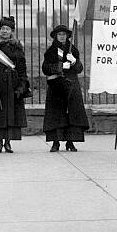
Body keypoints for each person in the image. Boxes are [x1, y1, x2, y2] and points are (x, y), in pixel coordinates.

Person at [0, 16, 29, 153]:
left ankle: (8, 142)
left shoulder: (17, 47)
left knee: (9, 113)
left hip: (11, 84)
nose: (4, 31)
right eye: (2, 28)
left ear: (12, 31)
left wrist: (22, 85)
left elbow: (21, 68)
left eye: (7, 29)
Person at [41, 24, 89, 152]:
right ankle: (55, 142)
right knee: (57, 114)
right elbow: (45, 68)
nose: (62, 37)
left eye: (64, 34)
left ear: (67, 36)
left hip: (71, 85)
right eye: (59, 34)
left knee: (71, 113)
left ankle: (70, 142)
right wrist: (60, 66)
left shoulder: (72, 50)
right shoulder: (51, 51)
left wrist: (73, 61)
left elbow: (79, 69)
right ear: (56, 36)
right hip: (57, 85)